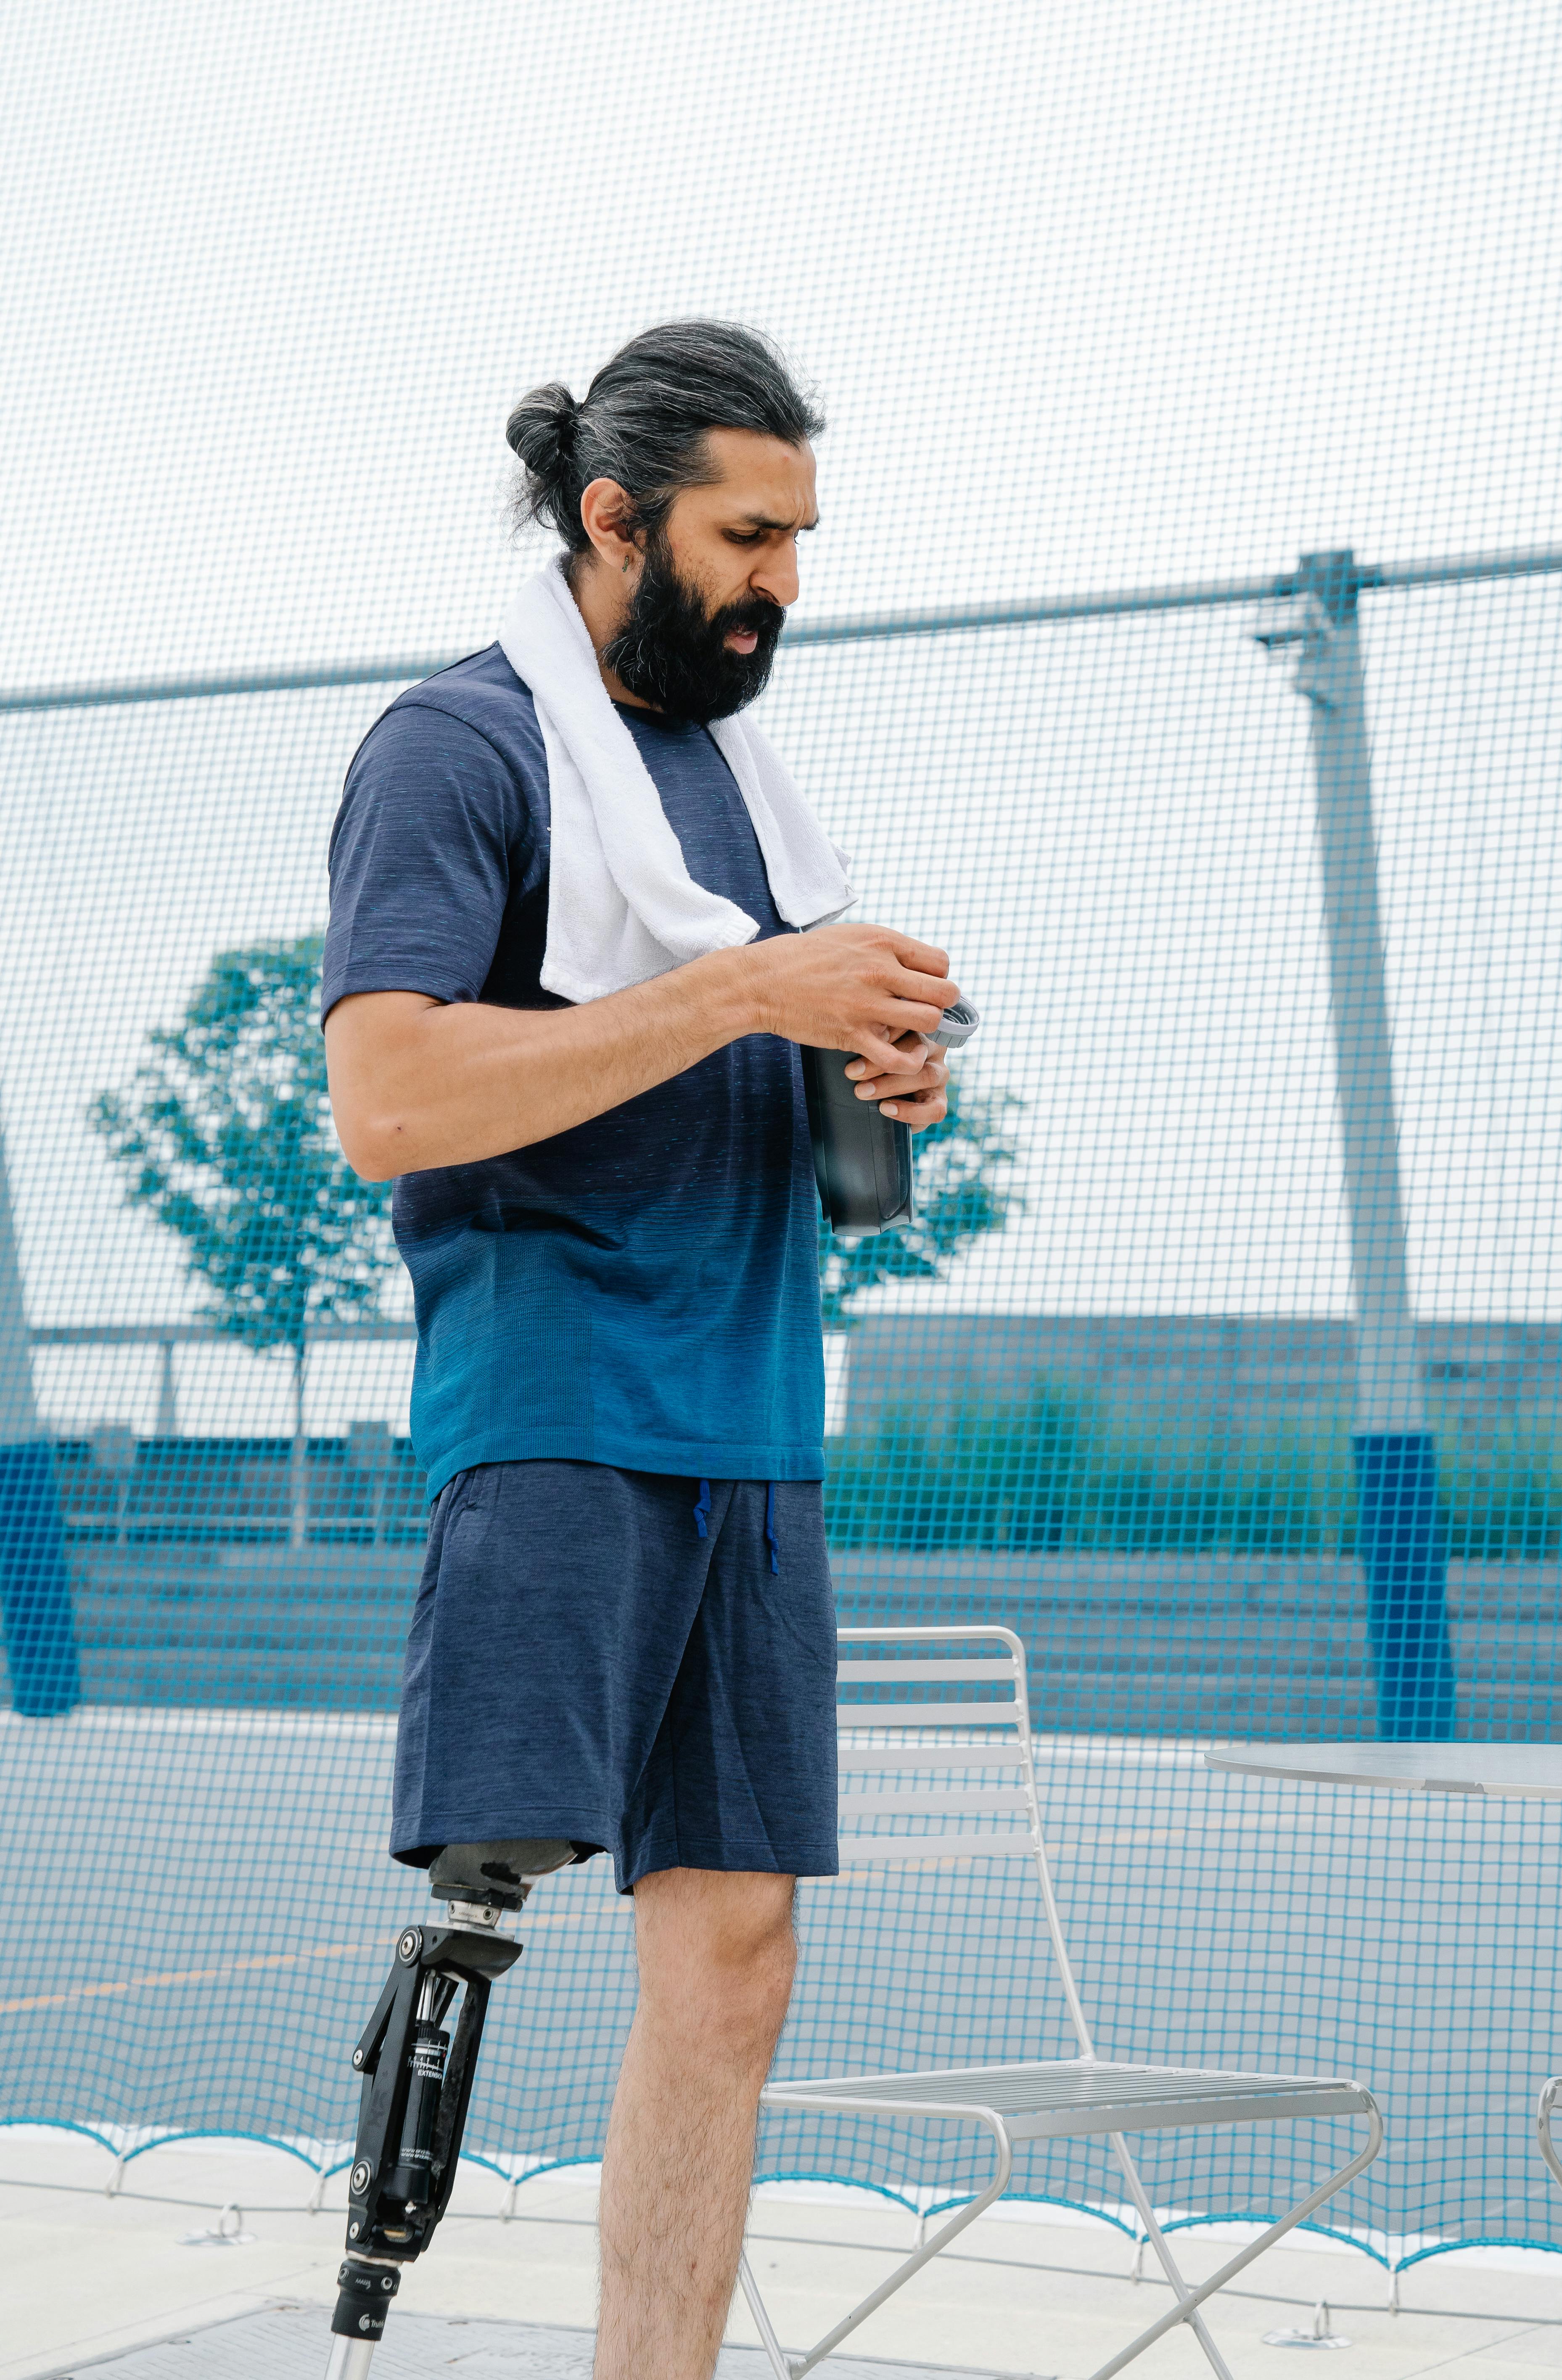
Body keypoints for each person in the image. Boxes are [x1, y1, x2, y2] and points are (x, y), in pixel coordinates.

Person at [322, 319, 958, 2380]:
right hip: (565, 1398)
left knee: (736, 1958)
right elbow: (392, 1097)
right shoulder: (458, 747)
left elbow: (734, 1025)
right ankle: (360, 2317)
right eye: (745, 532)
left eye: (800, 537)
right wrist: (742, 996)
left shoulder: (736, 779)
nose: (783, 577)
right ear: (612, 517)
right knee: (479, 1925)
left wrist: (872, 1072)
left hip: (755, 1408)